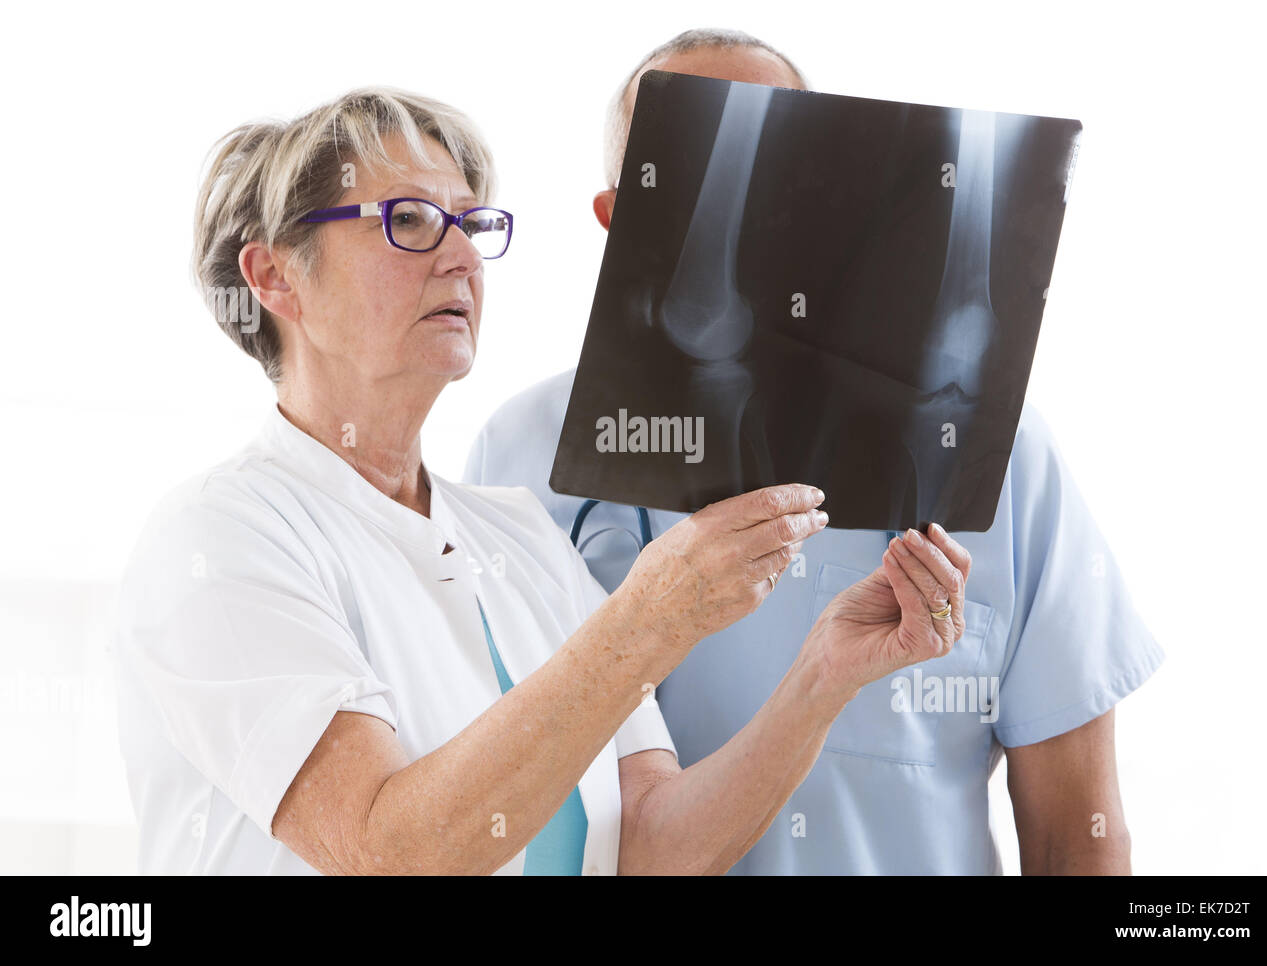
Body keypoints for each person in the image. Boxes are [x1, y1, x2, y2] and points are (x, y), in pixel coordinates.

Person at [114, 86, 974, 875]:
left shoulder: (518, 535)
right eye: (410, 220)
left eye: (471, 224)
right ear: (273, 276)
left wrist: (823, 674)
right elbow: (387, 851)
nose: (461, 257)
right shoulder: (218, 539)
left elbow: (653, 846)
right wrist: (648, 619)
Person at [464, 29, 1166, 874]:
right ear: (619, 218)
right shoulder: (520, 450)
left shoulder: (1002, 459)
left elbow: (1076, 828)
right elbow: (494, 796)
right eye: (713, 162)